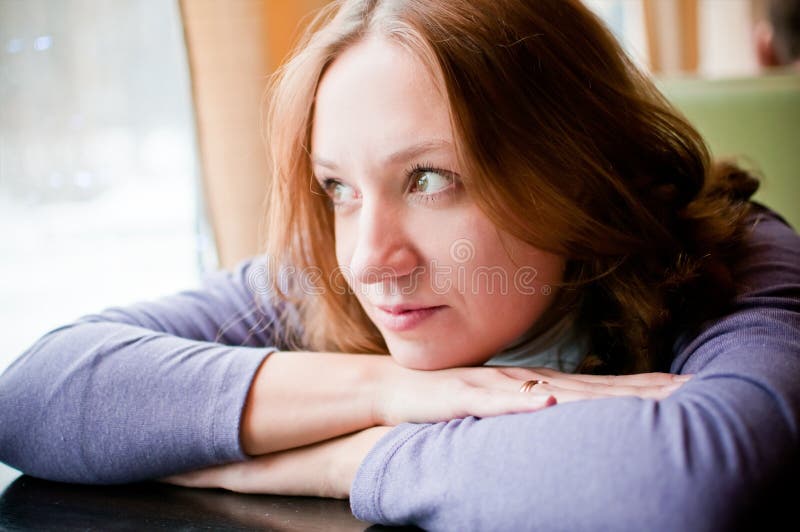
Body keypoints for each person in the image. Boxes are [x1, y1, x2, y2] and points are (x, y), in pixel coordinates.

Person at [1, 0, 798, 530]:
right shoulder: (320, 275)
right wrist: (396, 390)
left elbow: (691, 482)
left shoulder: (740, 257)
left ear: (574, 168)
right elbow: (35, 395)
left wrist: (339, 460)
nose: (369, 261)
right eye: (337, 188)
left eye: (429, 180)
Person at [755, 0, 800, 68]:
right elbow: (782, 35)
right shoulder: (777, 5)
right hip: (788, 57)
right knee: (761, 33)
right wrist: (794, 60)